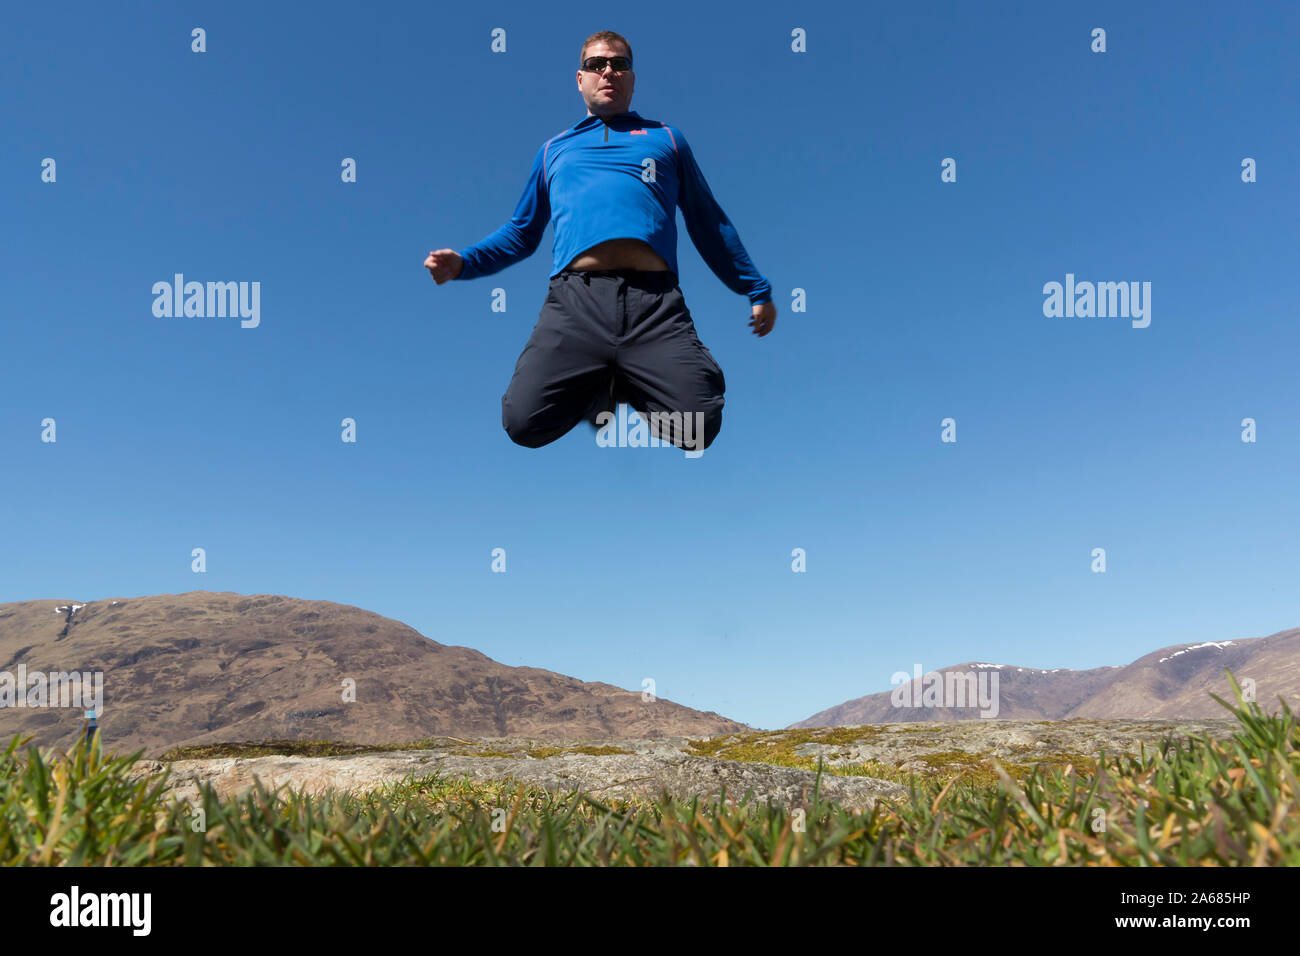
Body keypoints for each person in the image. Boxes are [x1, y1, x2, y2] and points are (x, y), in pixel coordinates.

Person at [425, 30, 775, 452]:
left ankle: (626, 373)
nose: (608, 70)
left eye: (619, 63)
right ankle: (603, 382)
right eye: (596, 64)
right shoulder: (554, 150)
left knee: (698, 428)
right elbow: (522, 233)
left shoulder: (666, 139)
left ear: (632, 78)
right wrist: (464, 263)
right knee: (522, 423)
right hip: (575, 303)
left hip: (654, 304)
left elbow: (707, 220)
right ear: (580, 78)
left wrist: (755, 288)